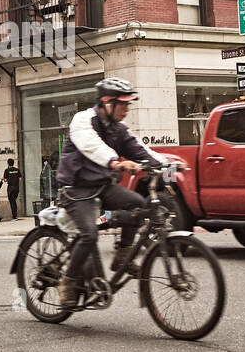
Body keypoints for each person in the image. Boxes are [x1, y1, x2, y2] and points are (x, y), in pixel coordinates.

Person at [55, 77, 177, 309]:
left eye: (129, 104)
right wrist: (115, 162)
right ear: (106, 102)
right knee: (89, 235)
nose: (126, 109)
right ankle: (67, 282)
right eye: (123, 104)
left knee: (139, 205)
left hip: (102, 186)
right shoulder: (83, 120)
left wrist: (166, 164)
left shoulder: (118, 129)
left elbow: (139, 149)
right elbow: (91, 145)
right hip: (76, 190)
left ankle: (123, 255)